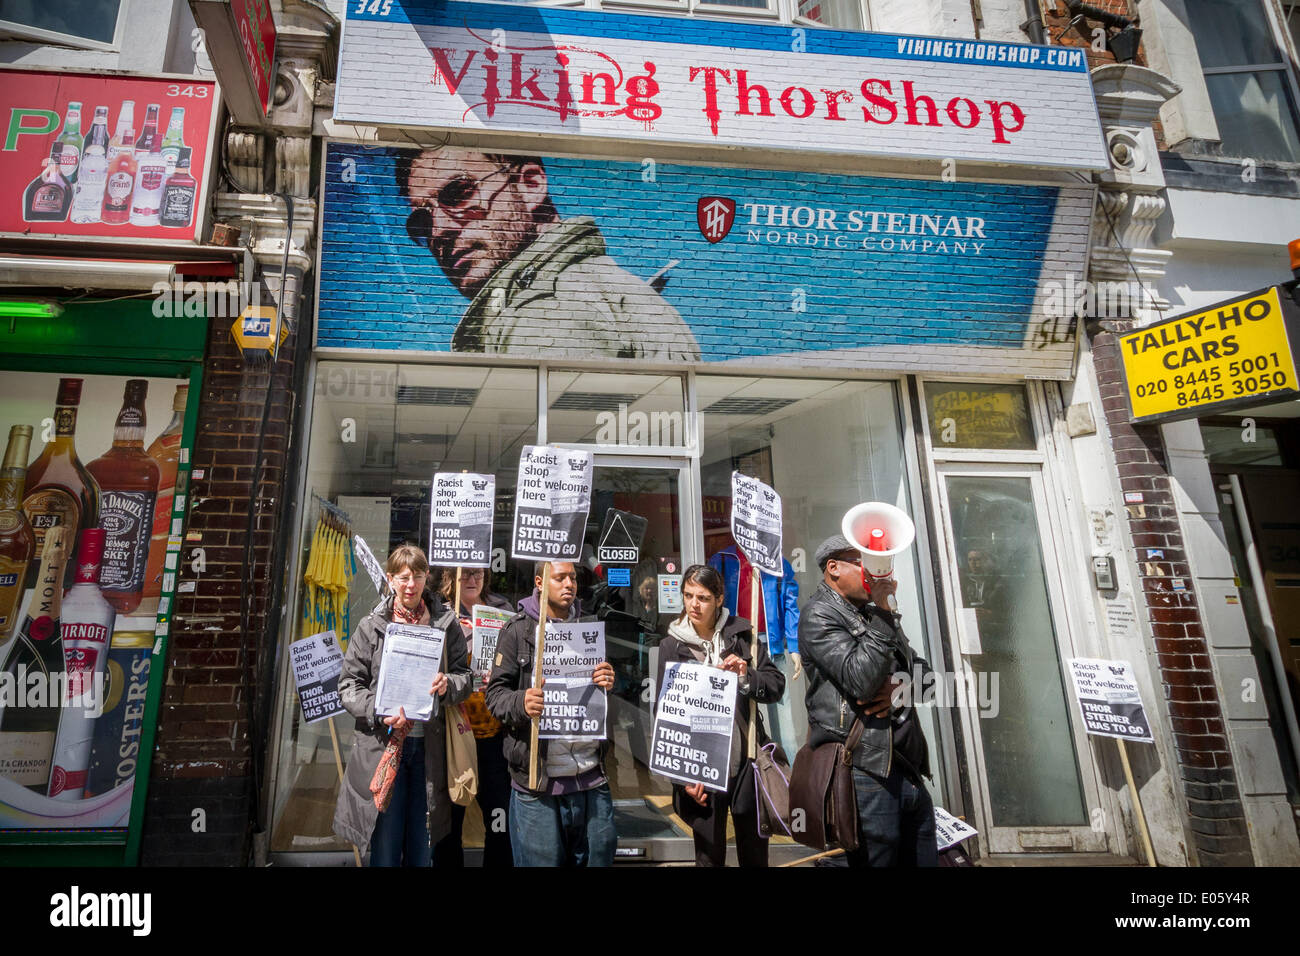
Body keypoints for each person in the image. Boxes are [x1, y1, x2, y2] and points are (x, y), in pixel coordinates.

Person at [396, 146, 701, 361]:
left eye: (458, 193)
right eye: (422, 222)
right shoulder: (589, 286)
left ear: (530, 184)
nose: (438, 231)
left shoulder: (545, 309)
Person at [798, 535, 938, 867]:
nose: (873, 572)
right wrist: (884, 615)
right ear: (833, 568)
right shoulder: (819, 615)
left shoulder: (876, 616)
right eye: (864, 562)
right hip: (865, 770)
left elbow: (928, 681)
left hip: (906, 767)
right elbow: (861, 680)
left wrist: (898, 690)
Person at [333, 545, 473, 866]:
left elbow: (465, 678)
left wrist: (448, 684)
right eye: (404, 577)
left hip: (429, 753)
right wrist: (379, 710)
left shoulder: (446, 623)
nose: (411, 584)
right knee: (385, 848)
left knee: (422, 851)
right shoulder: (371, 627)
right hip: (385, 749)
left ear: (427, 579)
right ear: (391, 579)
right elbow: (348, 685)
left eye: (419, 576)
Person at [484, 561, 618, 866]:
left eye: (572, 577)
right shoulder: (518, 630)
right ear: (540, 582)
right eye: (560, 578)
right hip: (538, 784)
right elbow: (495, 696)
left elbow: (603, 687)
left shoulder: (589, 627)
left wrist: (609, 678)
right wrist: (522, 702)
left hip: (591, 778)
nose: (569, 584)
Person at [657, 564, 785, 867]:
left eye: (702, 597)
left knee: (755, 855)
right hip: (700, 768)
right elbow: (664, 714)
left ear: (719, 598)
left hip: (746, 762)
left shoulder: (743, 635)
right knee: (708, 857)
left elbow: (775, 686)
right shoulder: (670, 646)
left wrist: (745, 676)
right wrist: (682, 777)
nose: (693, 604)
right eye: (688, 596)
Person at [431, 566, 515, 868]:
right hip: (455, 733)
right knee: (451, 821)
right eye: (465, 573)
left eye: (478, 573)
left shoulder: (503, 610)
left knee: (499, 817)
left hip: (494, 735)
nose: (472, 579)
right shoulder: (437, 613)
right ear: (450, 577)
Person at [708, 545, 803, 761]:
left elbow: (790, 604)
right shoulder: (723, 558)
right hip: (735, 642)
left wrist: (795, 646)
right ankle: (744, 768)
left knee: (783, 720)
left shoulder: (777, 562)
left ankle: (788, 777)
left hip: (770, 643)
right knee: (736, 713)